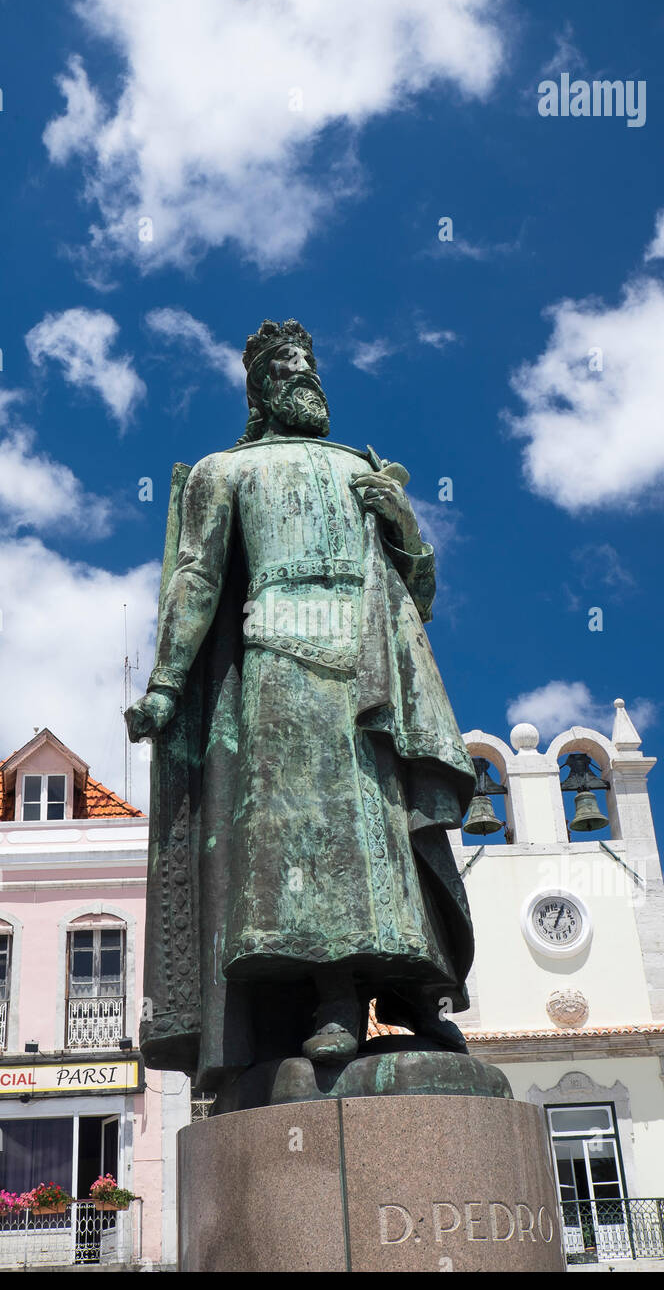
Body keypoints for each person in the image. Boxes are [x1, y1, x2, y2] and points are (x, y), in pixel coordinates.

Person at [125, 319, 476, 1095]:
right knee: (302, 839)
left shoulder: (362, 467)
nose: (305, 379)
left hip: (373, 662)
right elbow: (198, 581)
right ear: (260, 391)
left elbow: (418, 596)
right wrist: (165, 684)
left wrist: (405, 524)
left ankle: (412, 988)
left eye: (310, 366)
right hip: (279, 657)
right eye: (287, 369)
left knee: (385, 832)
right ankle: (330, 994)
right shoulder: (225, 472)